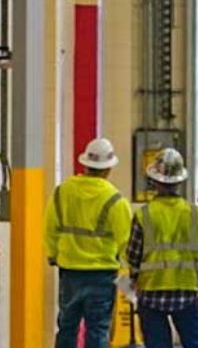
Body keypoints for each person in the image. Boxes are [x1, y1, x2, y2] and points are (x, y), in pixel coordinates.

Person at [48, 138, 135, 348]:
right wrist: (132, 275)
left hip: (69, 272)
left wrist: (53, 254)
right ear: (109, 168)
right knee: (97, 330)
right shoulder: (115, 200)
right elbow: (127, 242)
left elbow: (50, 227)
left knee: (67, 326)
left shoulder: (62, 192)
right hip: (102, 275)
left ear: (86, 164)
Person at [127, 148, 198, 348]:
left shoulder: (144, 214)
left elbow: (133, 256)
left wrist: (134, 280)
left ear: (154, 181)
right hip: (187, 289)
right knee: (197, 343)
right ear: (179, 182)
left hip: (151, 291)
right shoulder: (197, 214)